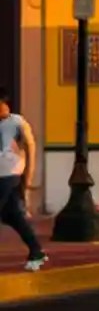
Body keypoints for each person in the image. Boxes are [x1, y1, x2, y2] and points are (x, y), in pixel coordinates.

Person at [0, 88, 47, 271]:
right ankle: (36, 250)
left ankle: (36, 250)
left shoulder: (17, 122)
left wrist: (28, 176)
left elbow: (30, 147)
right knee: (11, 215)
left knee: (11, 214)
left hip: (10, 174)